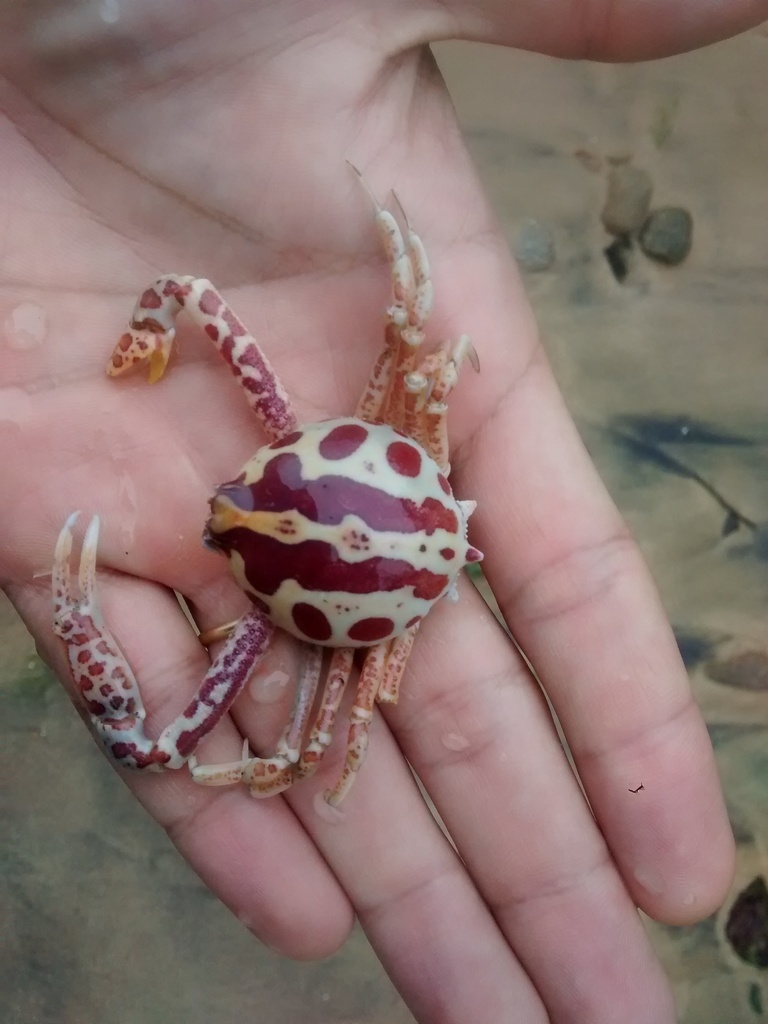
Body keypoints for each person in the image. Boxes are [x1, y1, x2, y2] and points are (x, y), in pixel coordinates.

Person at [2, 2, 761, 1020]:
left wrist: (283, 759)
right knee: (185, 741)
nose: (225, 511)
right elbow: (228, 292)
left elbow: (195, 294)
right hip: (379, 567)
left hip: (384, 566)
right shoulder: (348, 438)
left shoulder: (310, 458)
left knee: (177, 741)